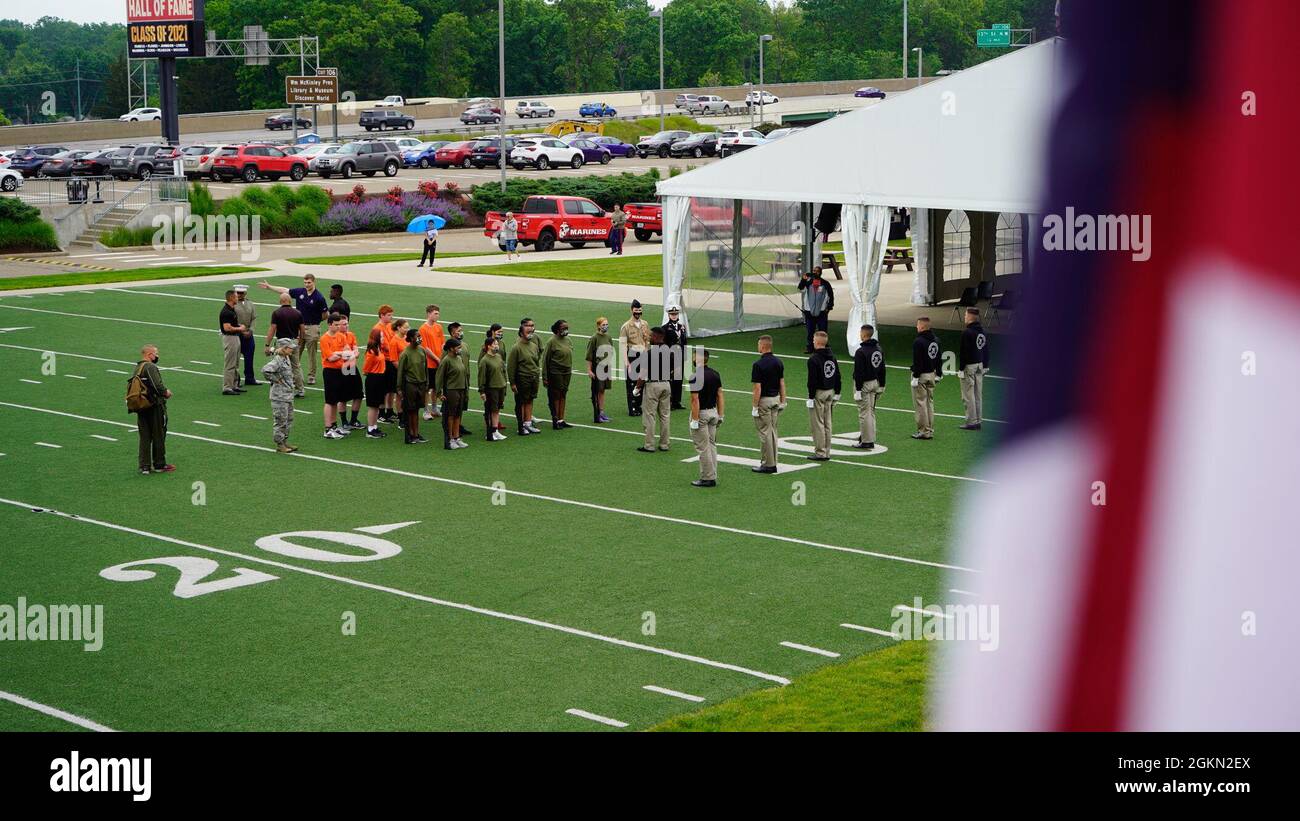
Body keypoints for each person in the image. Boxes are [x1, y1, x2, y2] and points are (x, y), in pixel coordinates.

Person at [260, 274, 327, 385]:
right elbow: (285, 290)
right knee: (295, 351)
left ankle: (311, 376)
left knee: (312, 353)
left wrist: (315, 322)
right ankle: (294, 374)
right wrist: (269, 287)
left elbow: (325, 314)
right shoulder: (300, 292)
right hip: (299, 327)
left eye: (309, 282)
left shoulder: (319, 297)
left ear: (314, 282)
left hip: (312, 327)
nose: (306, 285)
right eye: (305, 282)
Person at [132, 344, 174, 475]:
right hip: (154, 405)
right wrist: (166, 392)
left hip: (141, 405)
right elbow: (157, 386)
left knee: (144, 436)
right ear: (149, 354)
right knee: (158, 434)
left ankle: (144, 466)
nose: (157, 356)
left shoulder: (138, 367)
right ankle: (159, 464)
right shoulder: (150, 366)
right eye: (156, 353)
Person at [319, 312, 360, 439]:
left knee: (335, 400)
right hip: (330, 372)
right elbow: (330, 358)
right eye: (336, 325)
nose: (338, 327)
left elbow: (348, 352)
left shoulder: (341, 336)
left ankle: (334, 426)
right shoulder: (324, 339)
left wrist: (340, 354)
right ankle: (327, 428)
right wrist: (340, 354)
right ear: (329, 324)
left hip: (340, 370)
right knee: (329, 401)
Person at [750, 334, 786, 473]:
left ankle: (768, 463)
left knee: (765, 433)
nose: (757, 346)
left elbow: (757, 388)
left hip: (764, 401)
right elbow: (782, 383)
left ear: (763, 346)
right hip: (775, 399)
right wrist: (783, 400)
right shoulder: (778, 362)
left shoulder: (758, 365)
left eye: (759, 344)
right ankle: (773, 460)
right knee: (773, 431)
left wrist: (754, 406)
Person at [689, 348, 724, 487]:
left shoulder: (695, 376)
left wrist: (695, 419)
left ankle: (708, 477)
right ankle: (712, 473)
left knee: (703, 447)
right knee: (711, 445)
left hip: (702, 414)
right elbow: (720, 395)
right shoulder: (715, 374)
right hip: (713, 412)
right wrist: (721, 414)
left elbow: (695, 400)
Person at [805, 330, 842, 461]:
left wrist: (810, 397)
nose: (813, 342)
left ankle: (820, 452)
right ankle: (827, 451)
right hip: (830, 391)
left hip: (819, 393)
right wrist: (838, 392)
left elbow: (812, 381)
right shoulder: (832, 356)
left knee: (818, 424)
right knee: (828, 423)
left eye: (814, 340)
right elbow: (837, 375)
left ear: (818, 342)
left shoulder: (813, 359)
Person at [636, 327, 672, 453]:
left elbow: (643, 374)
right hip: (666, 384)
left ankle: (649, 444)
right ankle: (664, 444)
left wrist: (637, 387)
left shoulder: (650, 353)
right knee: (665, 416)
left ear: (657, 337)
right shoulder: (670, 352)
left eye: (651, 336)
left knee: (650, 416)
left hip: (653, 385)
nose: (650, 338)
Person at [852, 324, 887, 450]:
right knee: (871, 412)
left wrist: (858, 389)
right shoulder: (878, 349)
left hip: (865, 385)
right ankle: (869, 437)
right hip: (875, 382)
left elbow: (859, 372)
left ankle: (866, 440)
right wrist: (882, 384)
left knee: (864, 413)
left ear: (863, 334)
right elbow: (882, 368)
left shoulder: (861, 352)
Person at [264, 292, 305, 397]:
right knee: (296, 366)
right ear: (290, 301)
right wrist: (299, 342)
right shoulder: (297, 313)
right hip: (294, 342)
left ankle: (281, 386)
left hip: (282, 343)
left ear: (280, 301)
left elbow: (272, 329)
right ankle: (300, 390)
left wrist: (267, 344)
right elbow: (302, 330)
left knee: (280, 365)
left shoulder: (277, 313)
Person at [262, 337, 298, 453]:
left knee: (289, 419)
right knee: (281, 420)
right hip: (279, 396)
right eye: (290, 348)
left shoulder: (286, 358)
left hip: (287, 395)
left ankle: (285, 441)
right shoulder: (278, 360)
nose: (292, 349)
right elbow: (265, 370)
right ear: (284, 348)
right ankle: (279, 444)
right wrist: (275, 380)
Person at [506, 317, 542, 435]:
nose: (530, 332)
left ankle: (528, 423)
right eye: (528, 330)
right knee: (521, 401)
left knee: (530, 399)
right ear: (521, 332)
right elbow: (511, 366)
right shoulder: (516, 347)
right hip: (522, 378)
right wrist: (512, 383)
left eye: (531, 330)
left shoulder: (533, 346)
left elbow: (536, 362)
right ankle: (521, 425)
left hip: (533, 377)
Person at [957, 307, 990, 431]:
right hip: (980, 365)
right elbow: (986, 350)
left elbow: (963, 352)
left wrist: (961, 369)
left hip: (969, 366)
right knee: (977, 394)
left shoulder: (967, 332)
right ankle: (978, 420)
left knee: (968, 395)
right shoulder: (982, 332)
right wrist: (986, 365)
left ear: (970, 317)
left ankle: (971, 421)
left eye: (966, 315)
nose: (964, 317)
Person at [910, 316, 943, 440]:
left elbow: (918, 362)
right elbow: (939, 358)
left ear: (922, 327)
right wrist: (939, 373)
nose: (916, 327)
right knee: (929, 403)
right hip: (932, 374)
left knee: (920, 404)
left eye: (918, 325)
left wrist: (915, 376)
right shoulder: (936, 340)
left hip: (921, 376)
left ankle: (924, 431)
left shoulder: (918, 342)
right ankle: (929, 429)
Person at [435, 337, 469, 449]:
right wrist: (439, 393)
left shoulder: (458, 358)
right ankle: (450, 439)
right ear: (451, 348)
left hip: (461, 390)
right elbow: (439, 377)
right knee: (450, 415)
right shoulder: (446, 360)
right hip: (451, 390)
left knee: (458, 415)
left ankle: (456, 437)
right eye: (458, 347)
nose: (460, 349)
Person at [396, 327, 429, 444]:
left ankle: (416, 433)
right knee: (410, 410)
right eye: (417, 336)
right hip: (410, 385)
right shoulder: (405, 354)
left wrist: (427, 383)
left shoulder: (422, 351)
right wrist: (399, 388)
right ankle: (411, 434)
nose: (419, 338)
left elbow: (425, 369)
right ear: (410, 339)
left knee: (416, 410)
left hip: (421, 384)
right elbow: (400, 372)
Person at [619, 300, 650, 416]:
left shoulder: (645, 324)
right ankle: (632, 408)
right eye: (636, 311)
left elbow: (647, 340)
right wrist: (626, 362)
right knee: (632, 383)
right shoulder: (626, 326)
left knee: (641, 382)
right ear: (631, 310)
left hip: (643, 355)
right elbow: (622, 345)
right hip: (632, 356)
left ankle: (639, 406)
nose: (638, 313)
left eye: (640, 311)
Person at [542, 319, 574, 430]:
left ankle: (561, 419)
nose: (566, 330)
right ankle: (555, 419)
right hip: (555, 372)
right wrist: (545, 377)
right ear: (557, 330)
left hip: (567, 372)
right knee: (556, 395)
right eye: (563, 328)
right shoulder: (552, 341)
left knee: (563, 394)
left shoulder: (568, 340)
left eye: (567, 328)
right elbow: (545, 359)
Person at [477, 337, 509, 442]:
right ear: (488, 346)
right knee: (491, 410)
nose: (497, 346)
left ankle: (495, 430)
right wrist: (482, 391)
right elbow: (481, 377)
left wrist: (505, 384)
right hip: (492, 389)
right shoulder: (485, 360)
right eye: (494, 344)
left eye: (497, 344)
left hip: (501, 387)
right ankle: (490, 432)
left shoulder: (499, 357)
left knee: (497, 410)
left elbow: (503, 371)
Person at [797, 267, 835, 353]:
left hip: (822, 312)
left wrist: (829, 307)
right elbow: (800, 288)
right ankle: (810, 347)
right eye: (814, 271)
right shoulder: (808, 283)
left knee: (823, 331)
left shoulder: (825, 283)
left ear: (821, 273)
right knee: (810, 331)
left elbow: (831, 296)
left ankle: (824, 347)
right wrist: (803, 279)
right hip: (809, 311)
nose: (815, 273)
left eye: (817, 271)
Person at [371, 305, 398, 424]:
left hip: (391, 359)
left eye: (391, 315)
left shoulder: (389, 326)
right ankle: (381, 413)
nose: (391, 317)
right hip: (384, 361)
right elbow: (384, 345)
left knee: (391, 388)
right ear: (382, 315)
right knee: (384, 388)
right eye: (388, 315)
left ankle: (389, 410)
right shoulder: (377, 328)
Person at [418, 305, 445, 421]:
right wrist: (436, 359)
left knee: (436, 387)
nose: (437, 316)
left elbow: (442, 343)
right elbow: (425, 347)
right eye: (435, 313)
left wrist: (442, 357)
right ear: (428, 314)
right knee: (427, 388)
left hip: (439, 361)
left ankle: (434, 408)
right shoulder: (423, 329)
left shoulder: (439, 327)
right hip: (429, 363)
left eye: (438, 313)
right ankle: (425, 410)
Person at [585, 316, 614, 423]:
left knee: (602, 390)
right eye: (603, 325)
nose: (605, 326)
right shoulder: (594, 338)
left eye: (606, 324)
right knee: (597, 390)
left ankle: (602, 412)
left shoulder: (608, 337)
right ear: (598, 326)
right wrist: (589, 370)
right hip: (598, 367)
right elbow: (589, 356)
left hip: (606, 367)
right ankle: (597, 413)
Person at [362, 328, 389, 439]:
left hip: (380, 378)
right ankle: (370, 429)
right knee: (373, 406)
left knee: (377, 405)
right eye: (381, 336)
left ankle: (374, 426)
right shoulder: (372, 351)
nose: (383, 338)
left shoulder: (378, 349)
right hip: (374, 379)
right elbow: (366, 369)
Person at [219, 289, 246, 395]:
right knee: (230, 363)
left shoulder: (231, 309)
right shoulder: (226, 312)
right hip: (230, 338)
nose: (237, 297)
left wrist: (238, 327)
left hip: (235, 337)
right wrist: (240, 328)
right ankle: (227, 387)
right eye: (235, 296)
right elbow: (227, 328)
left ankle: (234, 385)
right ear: (231, 298)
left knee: (236, 363)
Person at [663, 304, 689, 409]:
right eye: (672, 314)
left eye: (675, 314)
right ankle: (669, 401)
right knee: (670, 380)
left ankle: (677, 401)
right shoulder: (665, 328)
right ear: (669, 315)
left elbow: (684, 342)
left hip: (680, 357)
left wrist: (685, 355)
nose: (674, 316)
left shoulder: (682, 327)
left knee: (679, 380)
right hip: (670, 358)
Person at [232, 284, 259, 387]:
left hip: (248, 334)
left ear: (245, 293)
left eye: (241, 293)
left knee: (249, 357)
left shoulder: (250, 303)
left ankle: (249, 378)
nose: (239, 295)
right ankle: (236, 380)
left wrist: (251, 331)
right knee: (235, 358)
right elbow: (232, 320)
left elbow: (254, 318)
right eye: (237, 293)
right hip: (237, 334)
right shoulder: (233, 305)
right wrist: (241, 330)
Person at [386, 317, 410, 425]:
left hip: (409, 370)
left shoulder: (407, 339)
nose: (407, 329)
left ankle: (406, 415)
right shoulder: (394, 341)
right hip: (398, 371)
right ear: (399, 328)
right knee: (399, 394)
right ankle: (401, 418)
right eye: (405, 328)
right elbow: (394, 360)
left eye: (407, 327)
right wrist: (403, 371)